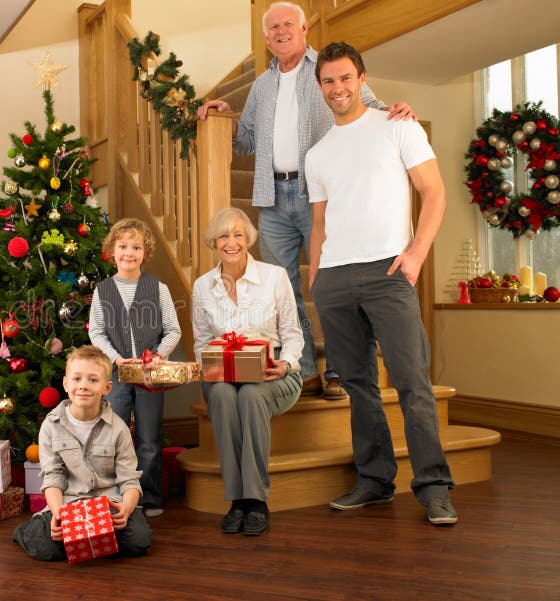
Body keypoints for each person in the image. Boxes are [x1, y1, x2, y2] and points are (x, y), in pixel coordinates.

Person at [196, 1, 416, 400]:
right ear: (266, 38)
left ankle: (336, 370)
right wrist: (228, 116)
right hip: (272, 197)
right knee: (285, 288)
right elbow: (247, 142)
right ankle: (307, 368)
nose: (280, 32)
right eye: (273, 28)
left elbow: (370, 109)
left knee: (328, 283)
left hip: (322, 195)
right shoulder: (261, 85)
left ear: (303, 29)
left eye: (287, 25)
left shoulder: (326, 72)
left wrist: (397, 111)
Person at [305, 42, 457, 525]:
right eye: (328, 80)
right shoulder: (318, 154)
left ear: (362, 78)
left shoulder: (398, 126)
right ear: (320, 87)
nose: (338, 88)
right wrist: (316, 276)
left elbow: (434, 193)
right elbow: (320, 223)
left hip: (389, 273)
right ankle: (374, 481)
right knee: (357, 385)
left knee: (413, 383)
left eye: (346, 78)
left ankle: (434, 487)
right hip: (335, 278)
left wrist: (415, 256)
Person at [191, 207, 304, 536]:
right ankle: (236, 500)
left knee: (252, 395)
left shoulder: (274, 277)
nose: (231, 242)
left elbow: (294, 335)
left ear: (249, 240)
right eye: (224, 235)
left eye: (238, 234)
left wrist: (287, 364)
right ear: (213, 242)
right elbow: (201, 342)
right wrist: (210, 369)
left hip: (274, 372)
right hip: (222, 375)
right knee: (225, 397)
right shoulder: (202, 287)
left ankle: (255, 501)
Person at [12, 345, 153, 561]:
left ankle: (91, 540)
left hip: (108, 503)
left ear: (107, 387)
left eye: (93, 380)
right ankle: (34, 530)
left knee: (138, 540)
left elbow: (129, 479)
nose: (83, 386)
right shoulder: (51, 426)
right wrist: (58, 514)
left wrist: (126, 507)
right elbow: (52, 478)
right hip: (69, 503)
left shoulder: (118, 428)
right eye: (77, 379)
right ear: (65, 383)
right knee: (45, 546)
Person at [88, 218, 182, 518]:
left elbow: (173, 330)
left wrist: (159, 355)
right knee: (115, 434)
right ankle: (117, 493)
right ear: (112, 251)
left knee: (150, 436)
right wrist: (115, 358)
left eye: (136, 247)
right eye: (123, 246)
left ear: (145, 252)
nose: (129, 253)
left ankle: (150, 496)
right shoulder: (103, 291)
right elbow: (97, 333)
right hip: (116, 373)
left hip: (150, 374)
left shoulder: (158, 288)